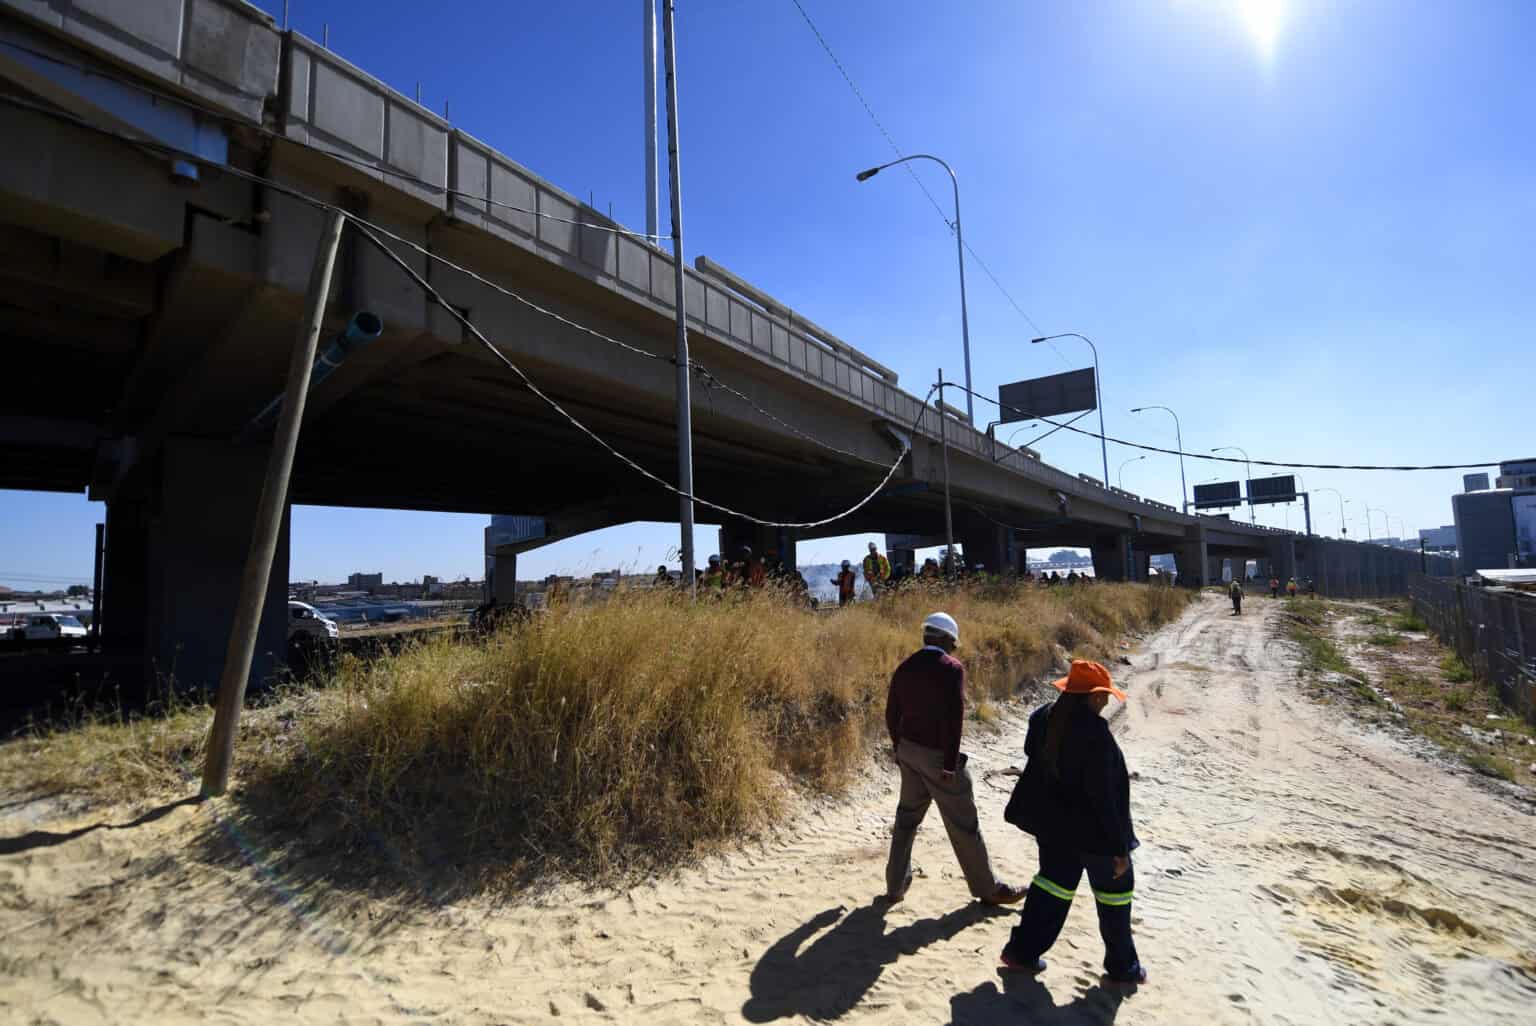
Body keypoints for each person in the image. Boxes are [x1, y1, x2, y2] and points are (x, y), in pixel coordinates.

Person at [1000, 660, 1146, 986]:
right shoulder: (1095, 735)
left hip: (1054, 831)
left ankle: (1021, 954)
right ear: (1093, 697)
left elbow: (1032, 754)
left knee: (1052, 887)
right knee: (1115, 900)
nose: (1107, 702)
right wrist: (1120, 849)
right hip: (1095, 838)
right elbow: (1107, 799)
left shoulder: (1043, 718)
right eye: (1104, 695)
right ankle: (1123, 969)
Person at [884, 612, 1025, 907]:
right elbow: (954, 720)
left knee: (906, 819)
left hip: (908, 751)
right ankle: (988, 889)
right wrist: (949, 764)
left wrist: (900, 748)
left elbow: (891, 713)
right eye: (953, 643)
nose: (954, 648)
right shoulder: (951, 669)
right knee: (964, 823)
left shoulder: (905, 666)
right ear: (946, 639)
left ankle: (895, 886)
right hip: (938, 758)